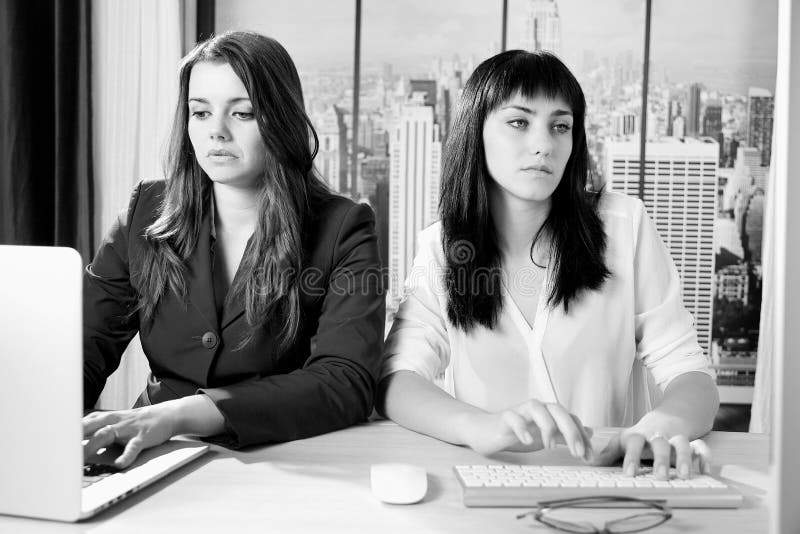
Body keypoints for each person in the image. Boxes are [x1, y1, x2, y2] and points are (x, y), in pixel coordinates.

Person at [377, 50, 719, 480]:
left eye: (560, 126)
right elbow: (396, 380)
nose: (543, 144)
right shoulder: (442, 249)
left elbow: (690, 373)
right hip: (488, 480)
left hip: (614, 480)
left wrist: (656, 429)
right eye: (519, 122)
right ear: (475, 131)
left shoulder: (622, 227)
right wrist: (480, 427)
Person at [82, 31, 385, 468]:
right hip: (149, 455)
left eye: (242, 113)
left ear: (280, 120)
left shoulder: (342, 227)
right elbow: (84, 347)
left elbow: (345, 381)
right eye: (200, 112)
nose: (216, 132)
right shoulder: (145, 210)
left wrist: (179, 415)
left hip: (281, 459)